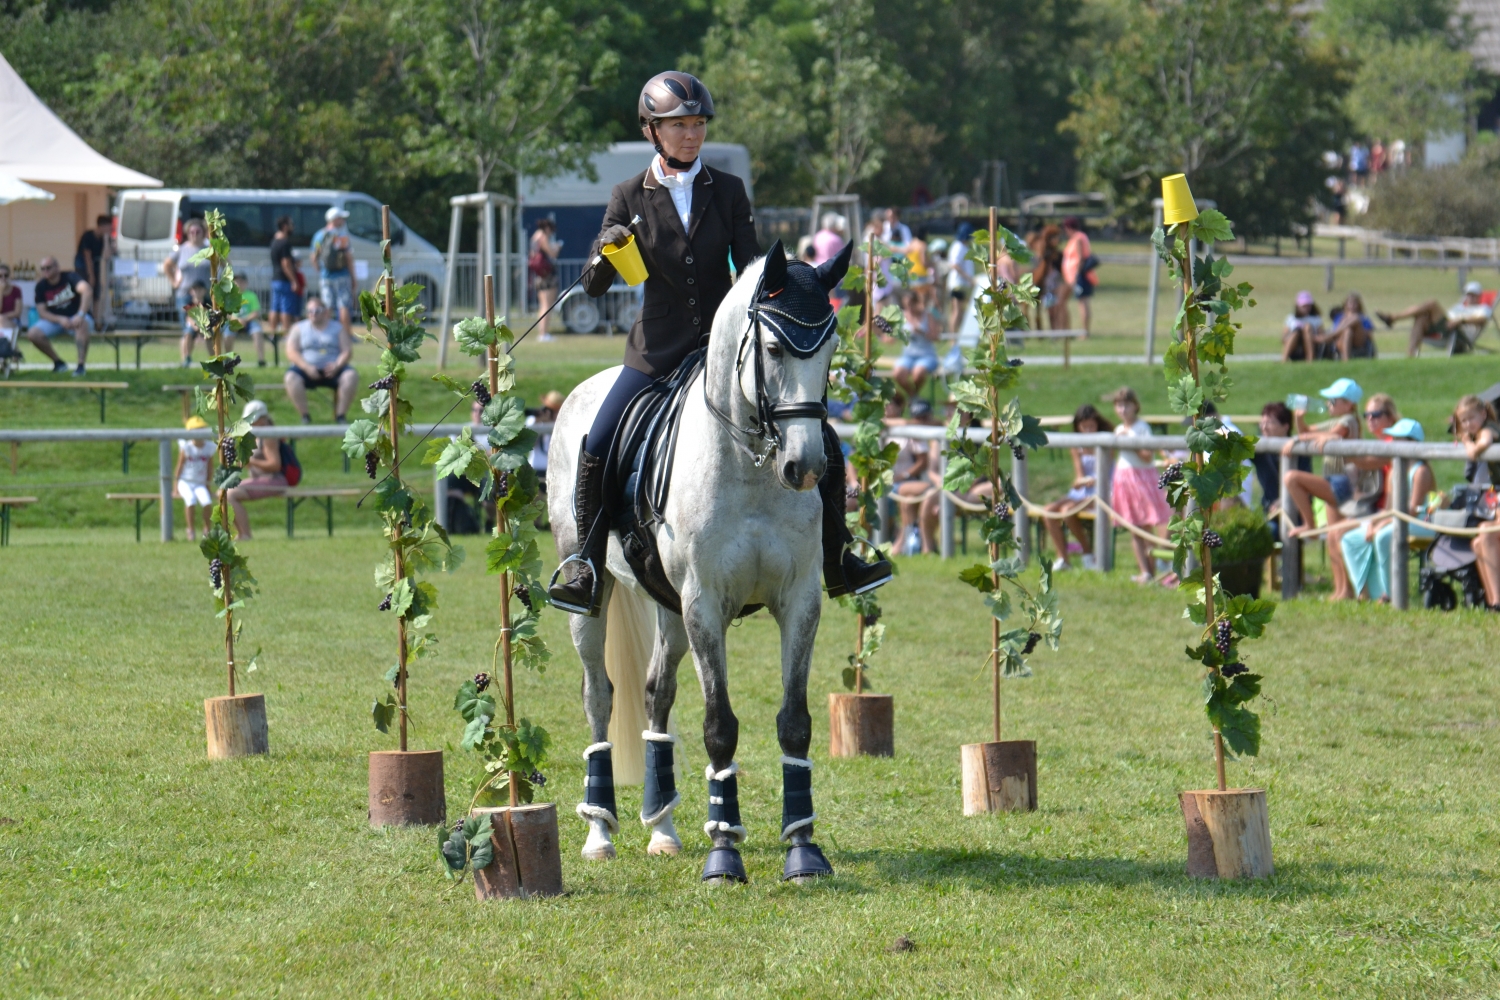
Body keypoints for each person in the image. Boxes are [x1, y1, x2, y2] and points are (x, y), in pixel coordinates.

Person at [548, 70, 890, 615]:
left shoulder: (728, 190)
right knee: (600, 439)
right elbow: (593, 286)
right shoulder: (628, 195)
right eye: (678, 126)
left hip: (723, 349)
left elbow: (752, 270)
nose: (691, 135)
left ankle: (839, 555)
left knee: (819, 434)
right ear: (652, 131)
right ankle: (585, 565)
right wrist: (605, 247)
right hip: (655, 351)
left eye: (698, 124)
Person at [1339, 418, 1434, 602]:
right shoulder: (1393, 471)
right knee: (1350, 539)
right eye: (1394, 439)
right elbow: (1389, 508)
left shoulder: (1421, 471)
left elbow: (1413, 510)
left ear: (1412, 443)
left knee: (1383, 537)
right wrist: (1373, 523)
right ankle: (1366, 592)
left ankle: (1390, 593)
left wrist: (1382, 525)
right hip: (1396, 520)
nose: (1393, 443)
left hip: (1419, 522)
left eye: (1399, 439)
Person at [1322, 393, 1398, 600]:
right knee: (1333, 531)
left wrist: (1341, 448)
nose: (1370, 419)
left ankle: (1356, 591)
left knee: (1337, 532)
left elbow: (1368, 462)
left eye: (1376, 414)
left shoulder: (1394, 442)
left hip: (1384, 512)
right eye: (1367, 415)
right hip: (1377, 510)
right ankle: (1342, 589)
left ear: (1390, 417)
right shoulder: (1378, 442)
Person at [1106, 387, 1173, 584]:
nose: (1123, 409)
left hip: (1142, 479)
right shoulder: (1118, 429)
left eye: (1126, 405)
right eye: (1119, 405)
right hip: (1123, 479)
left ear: (1135, 406)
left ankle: (1153, 569)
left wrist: (1130, 442)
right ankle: (1145, 571)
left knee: (1146, 527)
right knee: (1133, 527)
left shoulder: (1142, 428)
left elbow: (1147, 456)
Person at [1046, 404, 1110, 571]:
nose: (1088, 430)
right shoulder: (1076, 445)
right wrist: (1080, 481)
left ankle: (1087, 553)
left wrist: (1092, 480)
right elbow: (1079, 476)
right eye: (1084, 427)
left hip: (1102, 491)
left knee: (1067, 510)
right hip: (1081, 492)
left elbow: (1105, 473)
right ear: (1077, 427)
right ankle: (1063, 558)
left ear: (1097, 425)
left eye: (1091, 426)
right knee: (1048, 511)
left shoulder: (1105, 443)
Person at [1451, 395, 1500, 607]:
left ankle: (1497, 601)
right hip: (1497, 495)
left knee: (1486, 533)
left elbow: (1483, 444)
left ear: (1483, 414)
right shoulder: (1480, 430)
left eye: (1471, 418)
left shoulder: (1488, 429)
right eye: (1463, 421)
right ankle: (1493, 602)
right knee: (1478, 542)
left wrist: (1468, 445)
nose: (1467, 424)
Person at [283, 295, 356, 424]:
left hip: (334, 369)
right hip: (306, 370)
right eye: (310, 311)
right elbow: (291, 351)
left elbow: (347, 351)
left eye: (317, 310)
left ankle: (340, 416)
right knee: (290, 377)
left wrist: (337, 365)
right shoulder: (298, 328)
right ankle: (305, 416)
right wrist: (307, 367)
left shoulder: (338, 328)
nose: (313, 314)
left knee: (351, 375)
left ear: (325, 311)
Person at [1377, 281, 1493, 357]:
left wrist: (1461, 320)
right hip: (1446, 327)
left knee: (1432, 303)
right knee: (1421, 317)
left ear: (1479, 296)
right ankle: (1410, 354)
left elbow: (1482, 320)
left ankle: (1393, 318)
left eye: (1473, 295)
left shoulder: (1483, 308)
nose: (1470, 297)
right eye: (1468, 294)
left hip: (1458, 332)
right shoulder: (1459, 307)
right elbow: (1447, 316)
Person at [226, 399, 286, 540]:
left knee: (230, 495)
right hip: (261, 479)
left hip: (274, 480)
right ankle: (241, 534)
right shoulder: (256, 435)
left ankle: (245, 535)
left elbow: (275, 465)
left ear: (263, 418)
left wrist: (251, 461)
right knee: (223, 492)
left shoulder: (268, 436)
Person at [25, 256, 93, 375]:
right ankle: (58, 363)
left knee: (81, 324)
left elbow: (87, 290)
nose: (45, 271)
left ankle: (80, 366)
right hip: (56, 320)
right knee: (33, 334)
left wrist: (80, 314)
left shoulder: (70, 277)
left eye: (48, 268)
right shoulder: (40, 286)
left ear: (57, 267)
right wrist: (59, 319)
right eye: (42, 268)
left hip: (77, 316)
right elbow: (42, 312)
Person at [892, 399, 942, 554]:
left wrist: (904, 475)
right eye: (917, 418)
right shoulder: (911, 431)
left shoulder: (937, 432)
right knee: (907, 501)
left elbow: (924, 463)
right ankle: (912, 543)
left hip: (926, 485)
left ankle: (912, 544)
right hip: (924, 484)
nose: (921, 421)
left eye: (925, 417)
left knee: (914, 496)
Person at [1250, 401, 1309, 525]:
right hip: (1269, 514)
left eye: (1270, 423)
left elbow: (1306, 488)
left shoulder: (1299, 451)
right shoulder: (1259, 450)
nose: (1264, 427)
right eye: (1262, 422)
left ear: (1286, 426)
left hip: (1297, 515)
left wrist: (1284, 502)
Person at [163, 217, 210, 366]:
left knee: (208, 328)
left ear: (203, 233)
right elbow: (167, 265)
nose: (194, 234)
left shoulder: (209, 249)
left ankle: (215, 360)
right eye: (191, 232)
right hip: (185, 295)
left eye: (198, 231)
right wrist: (174, 282)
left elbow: (225, 263)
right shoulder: (182, 249)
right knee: (188, 328)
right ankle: (186, 359)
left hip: (205, 295)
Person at [311, 206, 357, 330]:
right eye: (341, 218)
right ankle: (345, 334)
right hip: (342, 275)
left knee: (327, 307)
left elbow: (314, 257)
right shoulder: (341, 236)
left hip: (325, 276)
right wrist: (353, 277)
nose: (343, 221)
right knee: (344, 306)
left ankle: (327, 333)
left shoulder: (319, 235)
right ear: (335, 219)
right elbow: (348, 258)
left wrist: (320, 271)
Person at [892, 289, 939, 404]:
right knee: (897, 374)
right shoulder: (901, 317)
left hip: (926, 355)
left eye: (910, 304)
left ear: (916, 303)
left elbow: (936, 337)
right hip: (908, 356)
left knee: (917, 373)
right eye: (905, 305)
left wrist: (921, 332)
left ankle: (914, 397)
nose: (908, 308)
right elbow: (890, 338)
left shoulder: (927, 315)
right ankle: (913, 396)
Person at [174, 415, 217, 541]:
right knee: (190, 500)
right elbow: (179, 467)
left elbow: (210, 468)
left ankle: (207, 529)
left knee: (207, 502)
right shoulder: (187, 447)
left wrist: (208, 485)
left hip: (199, 483)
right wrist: (175, 487)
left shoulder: (209, 447)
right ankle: (190, 529)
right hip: (186, 481)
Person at [266, 215, 300, 366]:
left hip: (275, 279)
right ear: (285, 226)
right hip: (284, 280)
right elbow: (286, 264)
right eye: (291, 224)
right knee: (286, 308)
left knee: (275, 307)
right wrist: (294, 280)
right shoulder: (285, 242)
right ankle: (286, 334)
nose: (293, 227)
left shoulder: (274, 241)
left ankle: (272, 333)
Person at [1061, 217, 1096, 336]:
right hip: (1076, 276)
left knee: (1083, 303)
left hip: (1080, 276)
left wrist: (1076, 275)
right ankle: (1083, 330)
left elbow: (1080, 258)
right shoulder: (1079, 237)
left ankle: (1085, 332)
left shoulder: (1078, 239)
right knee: (1082, 303)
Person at [529, 218, 563, 342]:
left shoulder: (534, 236)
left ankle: (542, 332)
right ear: (547, 228)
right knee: (547, 305)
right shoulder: (543, 237)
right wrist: (557, 247)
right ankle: (544, 334)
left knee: (543, 305)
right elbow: (552, 253)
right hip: (547, 275)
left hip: (538, 275)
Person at [74, 214, 111, 326]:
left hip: (95, 266)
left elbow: (106, 256)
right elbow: (87, 256)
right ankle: (82, 318)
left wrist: (106, 240)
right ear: (101, 226)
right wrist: (91, 275)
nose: (110, 230)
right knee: (86, 290)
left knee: (97, 293)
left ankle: (96, 321)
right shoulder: (88, 236)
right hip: (82, 266)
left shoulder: (104, 238)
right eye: (108, 227)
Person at [1320, 291, 1375, 361]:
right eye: (1350, 303)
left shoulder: (1364, 318)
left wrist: (1355, 326)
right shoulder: (1339, 317)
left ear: (1359, 304)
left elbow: (1369, 333)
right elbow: (1335, 328)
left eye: (1355, 303)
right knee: (1348, 331)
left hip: (1358, 341)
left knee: (1355, 319)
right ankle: (1346, 360)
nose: (1352, 305)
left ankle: (1332, 336)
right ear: (1346, 304)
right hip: (1341, 340)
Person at [530, 390, 566, 492]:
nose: (548, 412)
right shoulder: (534, 421)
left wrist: (551, 424)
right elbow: (529, 445)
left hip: (556, 470)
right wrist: (538, 425)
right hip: (536, 469)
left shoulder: (564, 424)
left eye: (553, 410)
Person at [945, 223, 975, 333]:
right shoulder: (958, 247)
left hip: (961, 284)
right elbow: (955, 265)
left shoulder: (962, 247)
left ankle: (957, 334)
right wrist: (968, 278)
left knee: (960, 311)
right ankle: (952, 336)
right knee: (956, 311)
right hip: (958, 283)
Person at [1281, 291, 1324, 362]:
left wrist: (1309, 336)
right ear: (1298, 306)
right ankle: (1284, 360)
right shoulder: (1291, 318)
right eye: (1304, 306)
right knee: (1296, 331)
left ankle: (1310, 358)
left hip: (1311, 345)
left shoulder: (1315, 319)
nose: (1306, 308)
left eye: (1308, 306)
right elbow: (1283, 338)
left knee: (1307, 327)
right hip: (1295, 348)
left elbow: (1322, 336)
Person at [179, 281, 212, 364]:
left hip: (205, 326)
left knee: (210, 336)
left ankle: (213, 358)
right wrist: (196, 326)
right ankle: (187, 357)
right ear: (191, 291)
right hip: (193, 326)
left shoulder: (208, 303)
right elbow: (188, 317)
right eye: (195, 289)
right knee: (188, 334)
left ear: (204, 291)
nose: (198, 291)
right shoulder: (189, 303)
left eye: (200, 289)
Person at [234, 272, 263, 360]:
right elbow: (227, 313)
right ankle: (227, 359)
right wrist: (236, 319)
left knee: (257, 331)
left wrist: (245, 320)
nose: (239, 284)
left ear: (246, 283)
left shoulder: (252, 295)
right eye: (236, 281)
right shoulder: (230, 296)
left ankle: (261, 359)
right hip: (234, 321)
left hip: (250, 321)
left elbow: (256, 312)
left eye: (241, 281)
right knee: (226, 333)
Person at [0, 262, 22, 362]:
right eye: (0, 276)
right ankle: (13, 350)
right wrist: (1, 291)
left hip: (13, 321)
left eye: (6, 275)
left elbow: (17, 312)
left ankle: (5, 353)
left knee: (2, 320)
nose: (3, 278)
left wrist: (3, 317)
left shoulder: (16, 290)